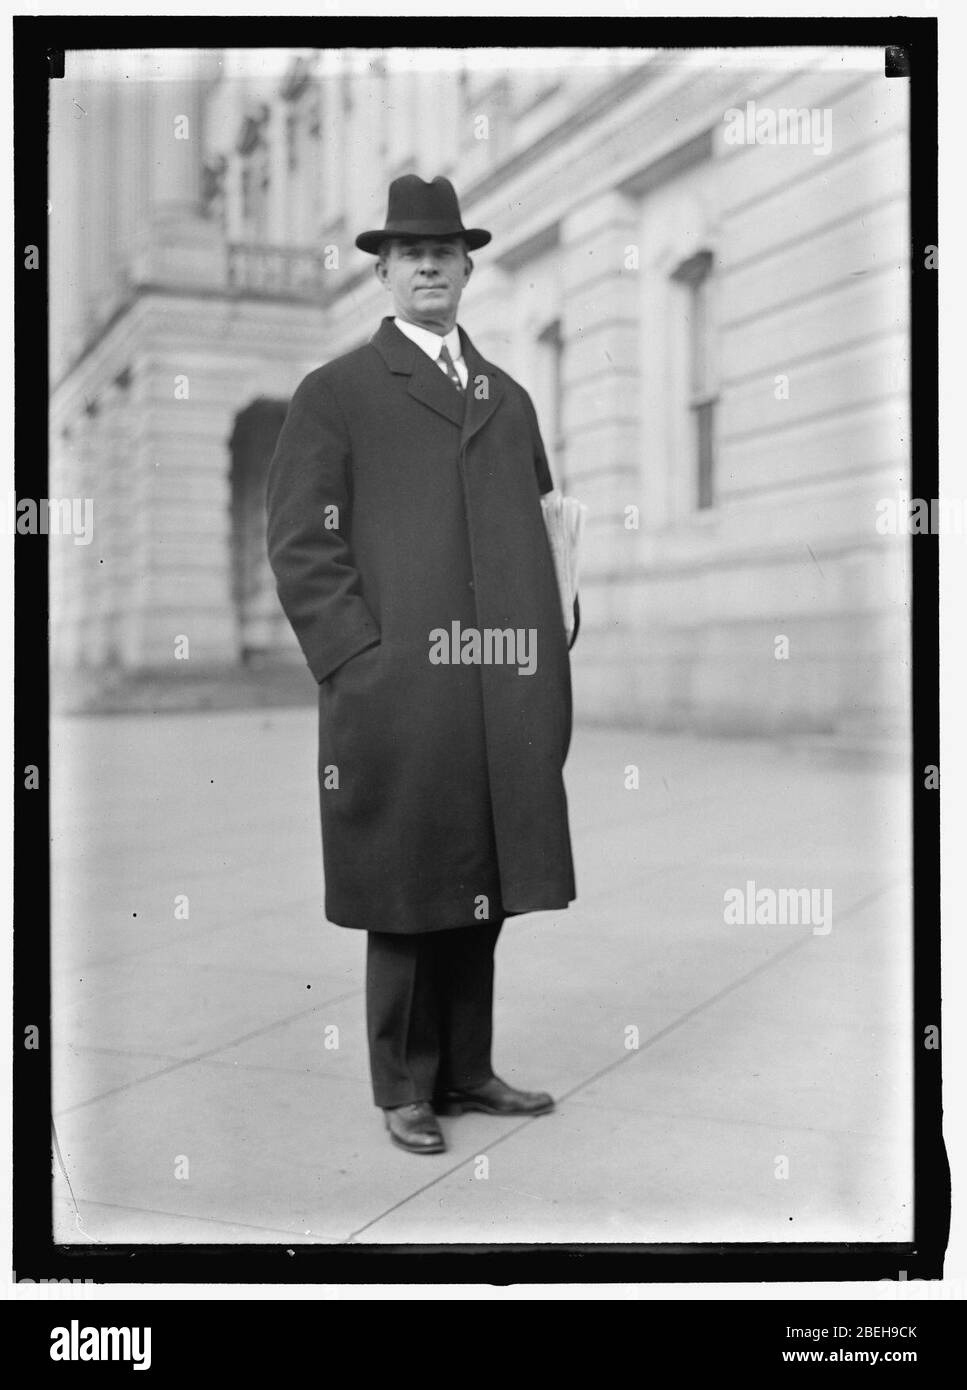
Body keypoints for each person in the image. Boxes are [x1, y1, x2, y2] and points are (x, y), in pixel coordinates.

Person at [266, 175, 577, 1155]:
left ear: (469, 266)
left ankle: (465, 1068)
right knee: (407, 887)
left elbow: (543, 529)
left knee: (480, 880)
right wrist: (361, 659)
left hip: (499, 684)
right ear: (384, 273)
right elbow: (301, 546)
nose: (429, 265)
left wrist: (551, 628)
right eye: (409, 254)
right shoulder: (336, 395)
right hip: (399, 689)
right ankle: (404, 1084)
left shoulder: (509, 398)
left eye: (444, 251)